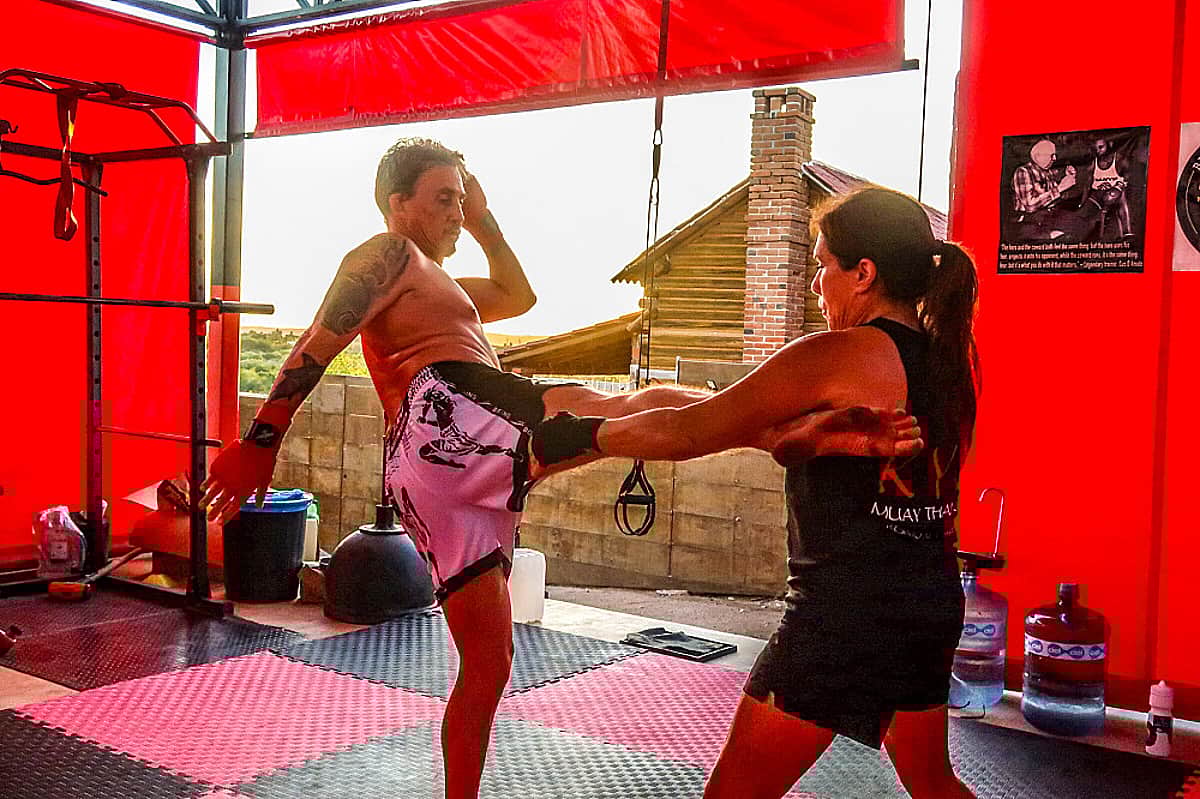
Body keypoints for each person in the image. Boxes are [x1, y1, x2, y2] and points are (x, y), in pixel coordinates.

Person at [199, 138, 924, 799]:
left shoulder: (441, 285)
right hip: (450, 420)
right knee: (626, 403)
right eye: (444, 197)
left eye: (462, 196)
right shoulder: (387, 257)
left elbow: (520, 297)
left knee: (489, 663)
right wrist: (262, 436)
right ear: (399, 205)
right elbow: (318, 342)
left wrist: (482, 219)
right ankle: (785, 432)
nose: (458, 210)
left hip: (441, 476)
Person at [533, 187, 981, 799]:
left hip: (843, 616)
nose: (817, 285)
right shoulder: (949, 361)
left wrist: (573, 436)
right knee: (933, 782)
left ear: (863, 274)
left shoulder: (839, 353)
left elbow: (694, 429)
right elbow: (765, 430)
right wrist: (799, 437)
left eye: (824, 267)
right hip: (928, 601)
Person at [1010, 138, 1081, 241]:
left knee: (1081, 224)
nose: (1055, 158)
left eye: (1055, 155)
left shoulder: (1047, 171)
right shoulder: (1023, 172)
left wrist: (1067, 177)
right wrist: (1060, 188)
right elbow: (1030, 205)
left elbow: (1055, 195)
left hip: (1049, 214)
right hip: (1030, 220)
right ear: (1038, 156)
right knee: (1062, 237)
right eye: (1051, 155)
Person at [1078, 136, 1132, 240]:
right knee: (1083, 217)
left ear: (1109, 145)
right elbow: (1087, 185)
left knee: (1117, 196)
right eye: (1096, 148)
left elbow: (1128, 174)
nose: (1098, 151)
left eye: (1101, 147)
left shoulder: (1119, 159)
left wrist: (1120, 185)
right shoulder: (1094, 163)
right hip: (1097, 194)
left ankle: (1126, 232)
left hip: (1115, 193)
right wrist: (1082, 203)